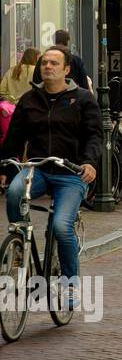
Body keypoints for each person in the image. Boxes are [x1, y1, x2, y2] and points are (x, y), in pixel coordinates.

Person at [0, 46, 102, 308]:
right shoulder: (30, 99)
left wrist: (89, 163)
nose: (47, 67)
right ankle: (20, 243)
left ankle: (70, 286)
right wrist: (4, 167)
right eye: (45, 63)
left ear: (66, 70)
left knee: (60, 227)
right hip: (38, 169)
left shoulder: (82, 99)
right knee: (13, 192)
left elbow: (94, 135)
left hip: (71, 173)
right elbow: (15, 137)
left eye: (54, 63)